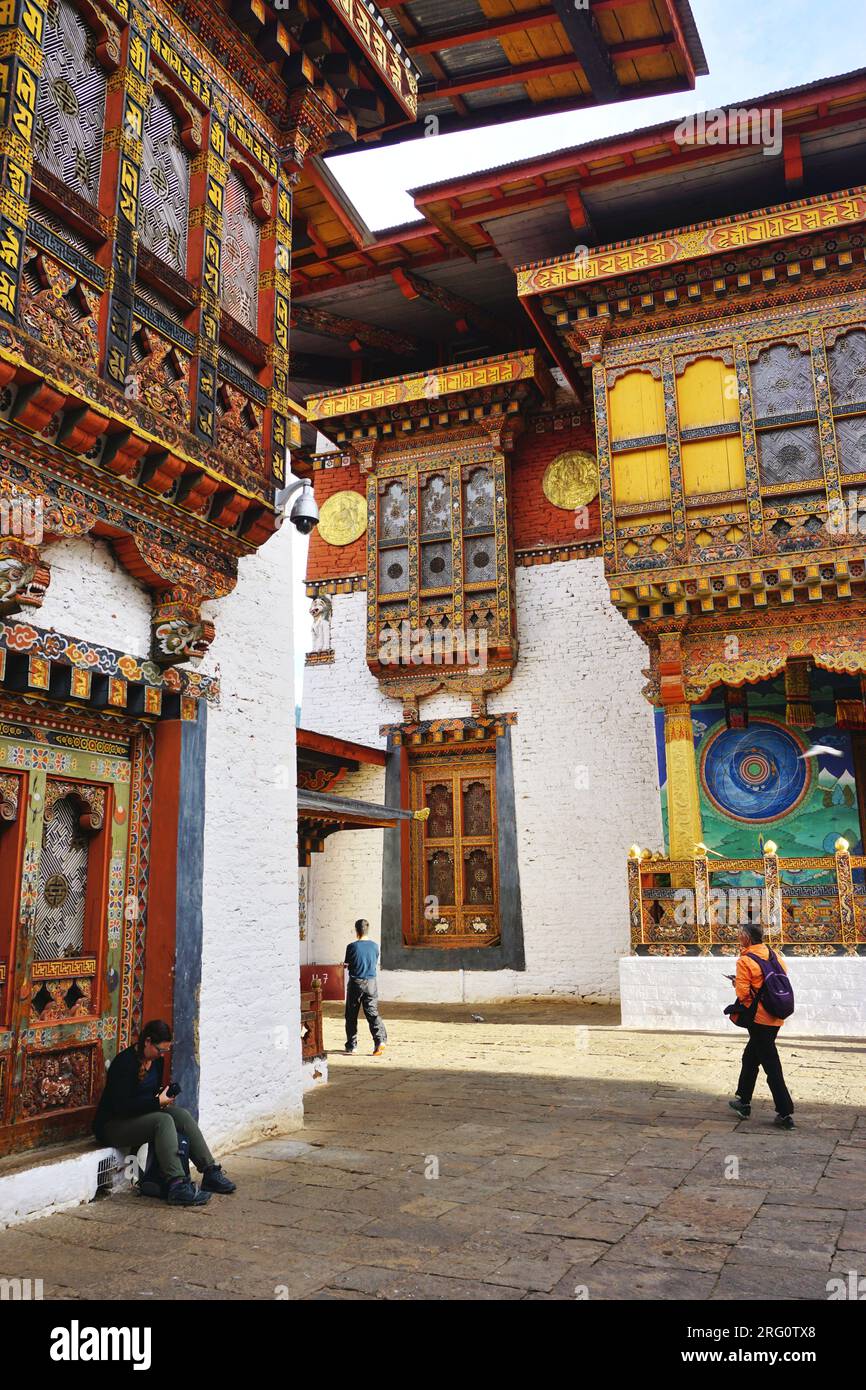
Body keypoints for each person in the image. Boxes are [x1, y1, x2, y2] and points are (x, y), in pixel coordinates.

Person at [93, 1020, 236, 1205]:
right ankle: (178, 1185)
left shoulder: (156, 1062)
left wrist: (162, 1097)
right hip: (114, 1125)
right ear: (147, 1041)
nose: (161, 1055)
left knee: (181, 1115)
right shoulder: (125, 1063)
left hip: (138, 1118)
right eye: (159, 1050)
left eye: (165, 1052)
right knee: (163, 1121)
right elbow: (122, 1106)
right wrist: (155, 1103)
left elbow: (150, 1095)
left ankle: (210, 1171)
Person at [728, 924, 795, 1129]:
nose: (739, 937)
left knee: (770, 1063)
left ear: (747, 938)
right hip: (776, 1014)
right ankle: (743, 1101)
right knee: (750, 1056)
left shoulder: (745, 960)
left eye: (740, 935)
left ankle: (785, 1113)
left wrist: (738, 985)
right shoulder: (773, 955)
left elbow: (743, 994)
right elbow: (782, 974)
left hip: (759, 1018)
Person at [343, 919, 387, 1056]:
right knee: (372, 1013)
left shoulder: (352, 947)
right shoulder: (375, 946)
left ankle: (352, 1045)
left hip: (356, 983)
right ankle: (380, 1041)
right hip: (371, 983)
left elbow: (347, 964)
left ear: (356, 931)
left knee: (351, 1015)